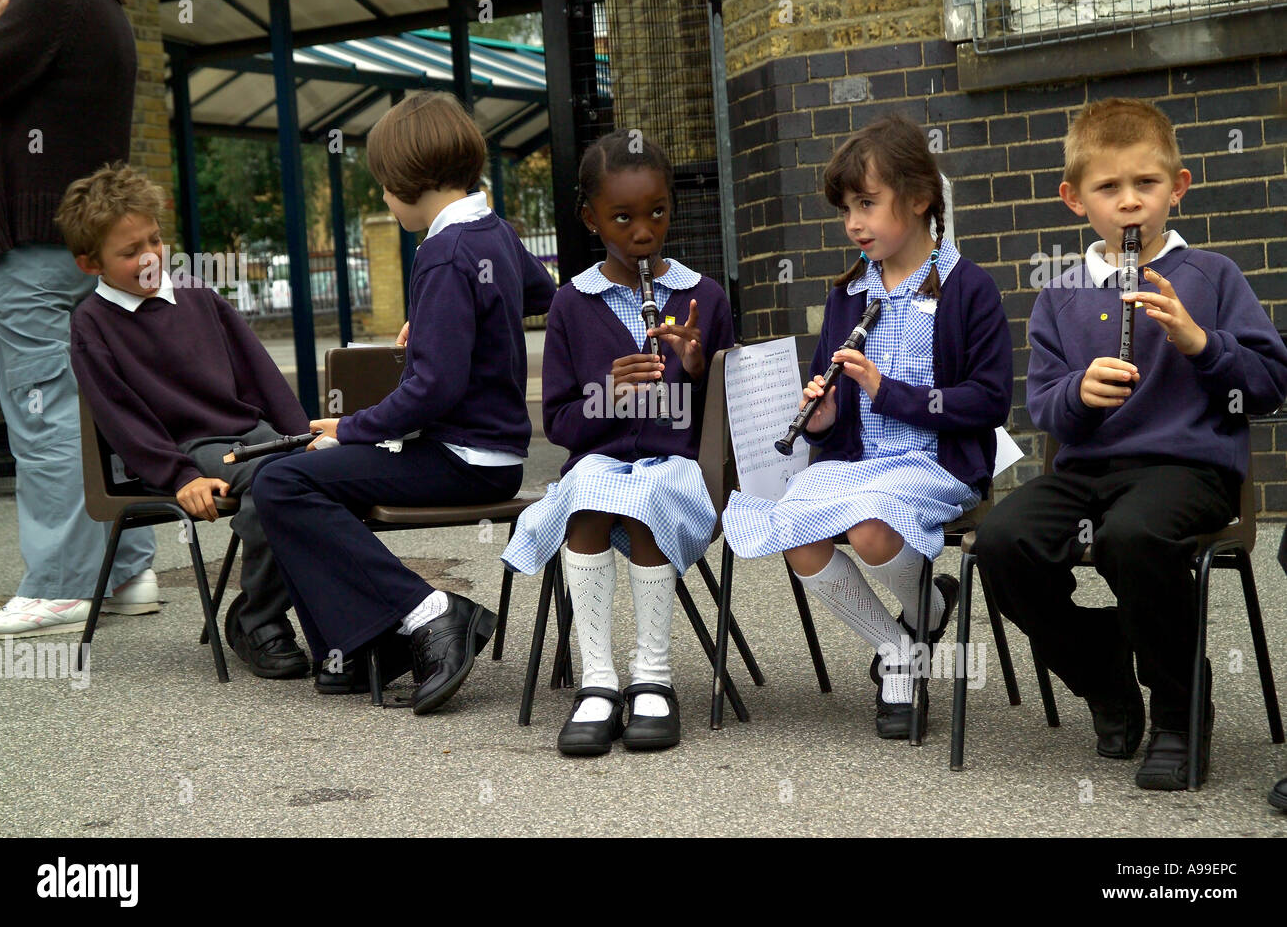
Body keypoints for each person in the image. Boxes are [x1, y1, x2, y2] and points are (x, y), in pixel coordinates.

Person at [973, 98, 1287, 791]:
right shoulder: (1060, 296)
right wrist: (1080, 394)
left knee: (1134, 535)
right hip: (1088, 473)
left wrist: (1203, 345)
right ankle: (1104, 674)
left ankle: (1179, 711)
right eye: (1108, 188)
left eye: (1145, 185)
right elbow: (1046, 408)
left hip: (1188, 471)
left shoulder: (1213, 277)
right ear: (1074, 199)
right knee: (1001, 542)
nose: (1128, 204)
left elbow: (1267, 386)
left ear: (1178, 186)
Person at [252, 92, 556, 710]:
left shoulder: (443, 252)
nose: (385, 203)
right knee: (287, 477)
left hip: (459, 458)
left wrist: (350, 427)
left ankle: (429, 612)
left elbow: (431, 391)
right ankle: (361, 646)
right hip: (497, 457)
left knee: (282, 484)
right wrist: (450, 323)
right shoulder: (493, 230)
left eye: (384, 190)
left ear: (409, 183)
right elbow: (541, 291)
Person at [722, 114, 1012, 740]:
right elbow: (837, 416)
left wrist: (887, 391)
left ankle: (921, 617)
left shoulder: (969, 290)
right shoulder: (850, 293)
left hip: (939, 464)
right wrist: (824, 420)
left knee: (872, 528)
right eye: (847, 208)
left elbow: (989, 402)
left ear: (918, 200)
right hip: (860, 464)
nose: (853, 223)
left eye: (867, 204)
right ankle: (903, 646)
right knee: (794, 527)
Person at [501, 130, 733, 756]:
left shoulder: (703, 296)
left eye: (657, 212)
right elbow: (563, 426)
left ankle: (653, 676)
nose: (642, 232)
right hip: (599, 464)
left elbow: (725, 423)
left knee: (653, 492)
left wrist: (700, 366)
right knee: (590, 497)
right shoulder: (572, 305)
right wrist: (609, 393)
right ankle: (598, 681)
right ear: (589, 218)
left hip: (680, 468)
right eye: (622, 217)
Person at [56, 165, 312, 677]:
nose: (149, 257)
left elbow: (260, 373)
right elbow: (122, 418)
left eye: (155, 240)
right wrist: (181, 476)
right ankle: (256, 620)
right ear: (90, 263)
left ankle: (337, 619)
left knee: (318, 478)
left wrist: (300, 436)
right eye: (130, 253)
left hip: (254, 435)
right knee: (279, 489)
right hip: (191, 448)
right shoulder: (92, 325)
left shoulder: (198, 294)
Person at [0, 0, 157, 638]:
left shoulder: (48, 1)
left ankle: (60, 586)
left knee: (44, 408)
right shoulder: (105, 6)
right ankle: (125, 569)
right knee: (104, 406)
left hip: (33, 248)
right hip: (83, 243)